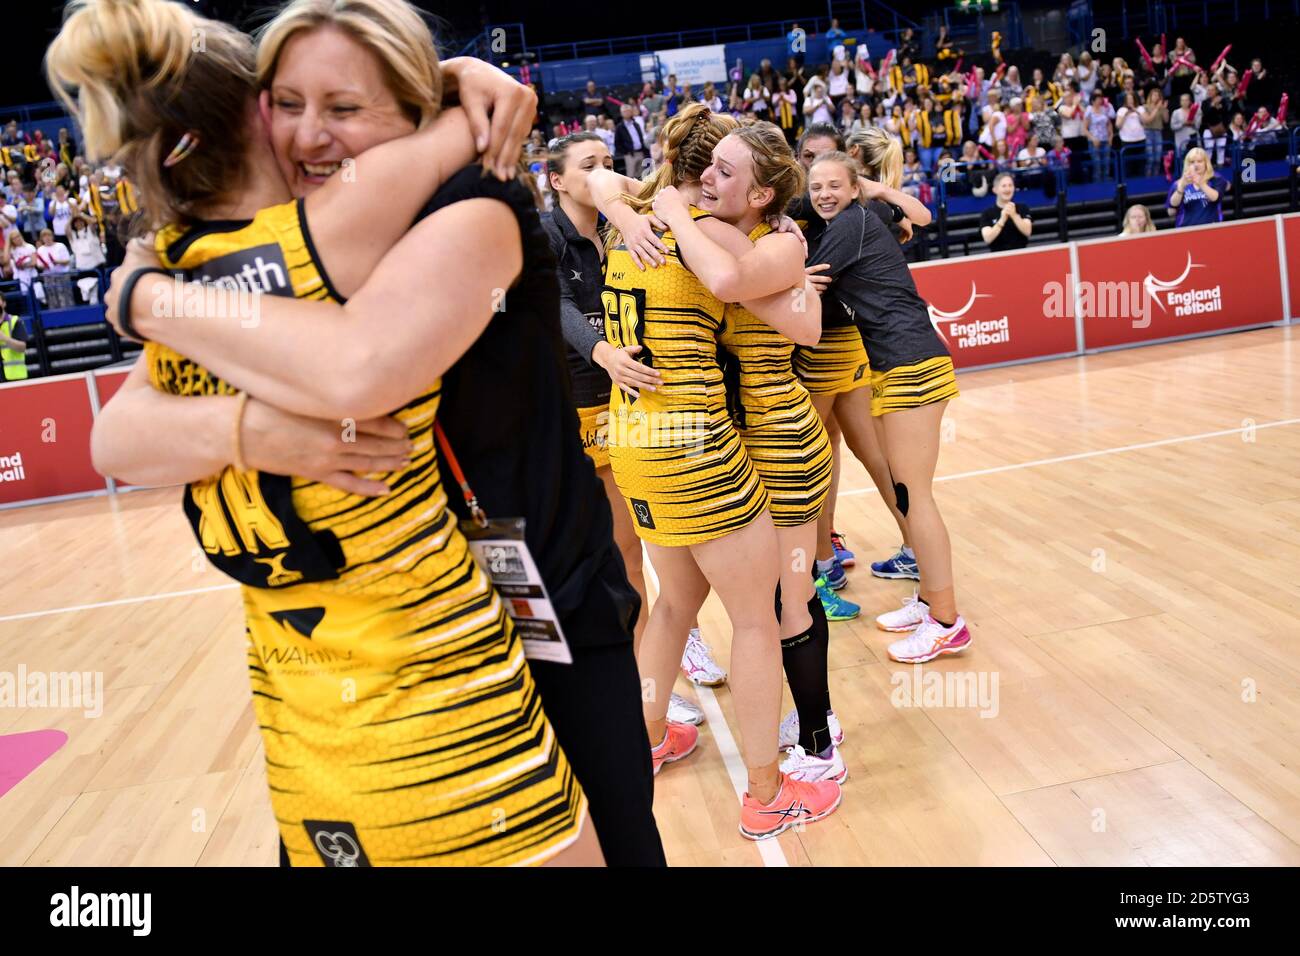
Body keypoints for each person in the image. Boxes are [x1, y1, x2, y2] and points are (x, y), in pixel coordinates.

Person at [62, 0, 610, 867]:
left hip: (376, 694)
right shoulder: (311, 243)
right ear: (252, 113)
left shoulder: (185, 269)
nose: (311, 135)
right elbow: (130, 431)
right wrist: (254, 429)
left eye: (343, 109)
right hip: (441, 702)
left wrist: (139, 299)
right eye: (288, 104)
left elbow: (124, 437)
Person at [588, 104, 843, 836]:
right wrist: (783, 250)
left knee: (672, 607)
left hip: (631, 440)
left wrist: (648, 200)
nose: (711, 177)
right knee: (756, 620)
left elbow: (597, 178)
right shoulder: (714, 235)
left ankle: (643, 741)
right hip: (697, 445)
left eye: (724, 170)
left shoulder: (624, 219)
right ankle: (767, 796)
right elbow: (794, 318)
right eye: (714, 164)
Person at [541, 131, 719, 724]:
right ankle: (633, 673)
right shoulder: (544, 232)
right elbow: (555, 305)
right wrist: (602, 351)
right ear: (557, 181)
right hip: (574, 408)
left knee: (649, 544)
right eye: (587, 165)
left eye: (610, 163)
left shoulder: (629, 223)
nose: (605, 173)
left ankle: (667, 648)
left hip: (635, 409)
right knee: (603, 556)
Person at [806, 150, 969, 663]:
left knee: (913, 495)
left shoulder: (850, 225)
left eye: (835, 184)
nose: (824, 194)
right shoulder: (855, 220)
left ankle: (947, 622)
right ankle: (929, 603)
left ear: (854, 188)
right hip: (897, 362)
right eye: (816, 187)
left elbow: (805, 285)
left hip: (911, 362)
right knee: (906, 490)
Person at [1167, 146, 1228, 226]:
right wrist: (1181, 187)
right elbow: (1171, 209)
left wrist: (1201, 183)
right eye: (1192, 162)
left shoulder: (1216, 179)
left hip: (1212, 227)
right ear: (1187, 164)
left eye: (1199, 161)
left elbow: (1215, 198)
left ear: (1206, 163)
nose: (1196, 165)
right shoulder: (1178, 184)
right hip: (1186, 229)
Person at [979, 172, 1032, 251]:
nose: (1007, 189)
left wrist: (1014, 215)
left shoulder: (1023, 208)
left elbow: (1028, 231)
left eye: (1010, 185)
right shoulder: (987, 213)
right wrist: (1002, 220)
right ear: (995, 190)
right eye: (1004, 186)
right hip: (997, 257)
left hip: (1021, 254)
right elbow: (987, 238)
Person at [67, 212, 104, 303]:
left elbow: (93, 221)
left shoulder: (90, 231)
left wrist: (80, 214)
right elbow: (66, 230)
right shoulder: (73, 236)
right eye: (76, 222)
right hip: (83, 269)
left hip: (96, 267)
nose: (78, 223)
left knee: (96, 296)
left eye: (80, 221)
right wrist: (72, 216)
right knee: (86, 296)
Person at [613, 103, 647, 178]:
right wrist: (625, 152)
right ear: (621, 113)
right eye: (625, 111)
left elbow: (640, 137)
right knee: (631, 176)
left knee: (641, 175)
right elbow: (617, 143)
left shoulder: (636, 124)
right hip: (629, 154)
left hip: (640, 152)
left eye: (628, 111)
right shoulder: (619, 127)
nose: (627, 113)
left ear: (631, 112)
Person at [0, 296, 28, 381]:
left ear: (4, 303)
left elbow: (22, 348)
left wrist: (4, 338)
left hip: (15, 378)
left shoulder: (15, 321)